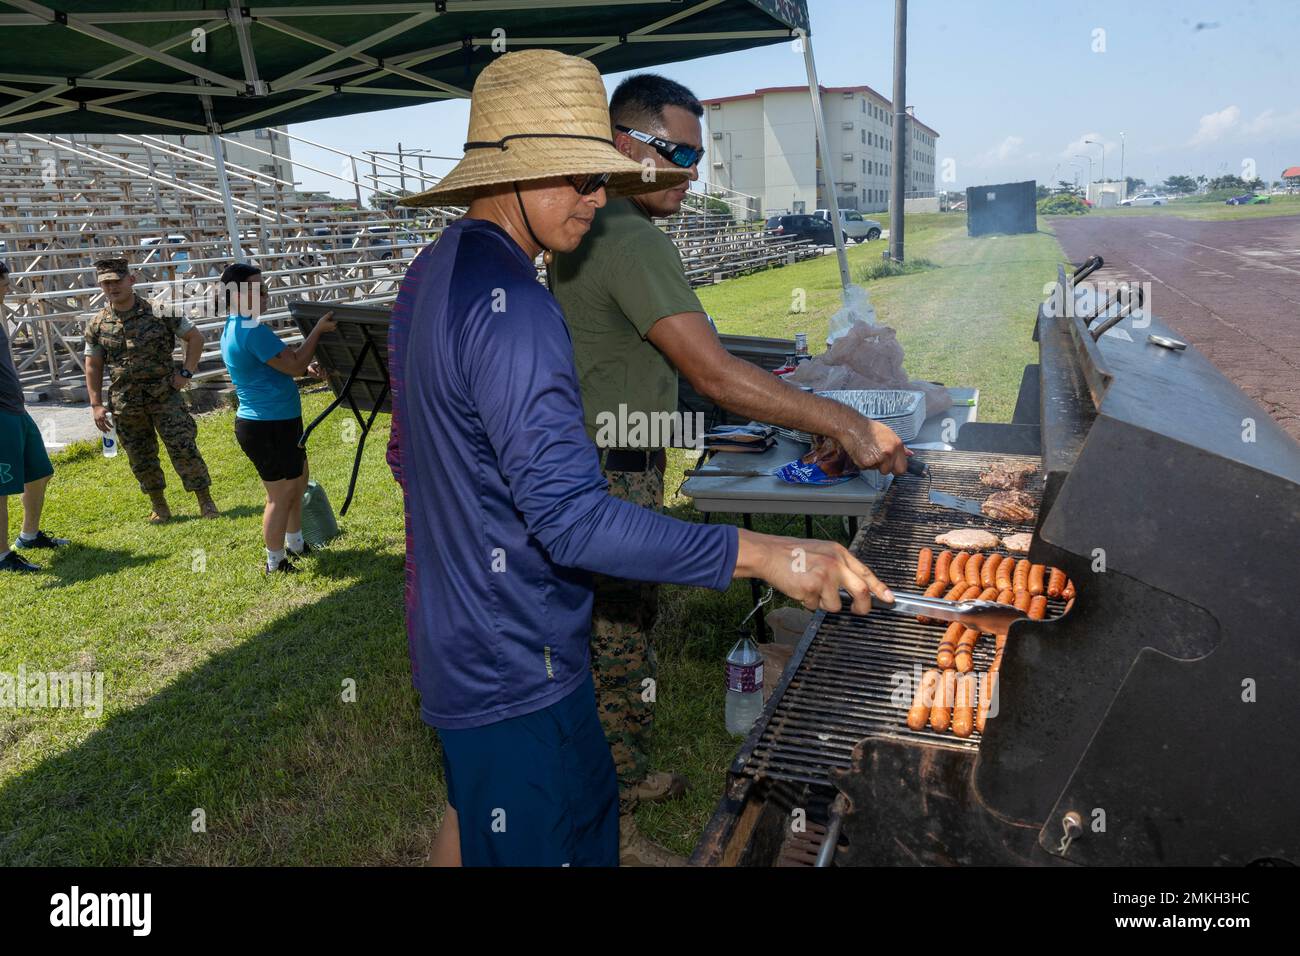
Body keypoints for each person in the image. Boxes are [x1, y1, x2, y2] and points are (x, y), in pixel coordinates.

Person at [389, 48, 891, 868]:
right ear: (509, 173)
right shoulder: (517, 308)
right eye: (576, 178)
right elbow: (573, 522)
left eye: (602, 176)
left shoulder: (436, 269)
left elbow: (410, 457)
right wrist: (768, 552)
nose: (598, 197)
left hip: (465, 633)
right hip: (513, 656)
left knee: (491, 813)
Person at [549, 73, 910, 863]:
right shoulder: (627, 235)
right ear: (625, 146)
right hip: (610, 463)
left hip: (602, 443)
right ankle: (613, 828)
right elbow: (710, 372)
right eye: (676, 152)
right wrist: (845, 422)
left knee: (619, 631)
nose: (691, 170)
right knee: (614, 639)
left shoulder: (590, 226)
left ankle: (625, 774)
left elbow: (678, 359)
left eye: (697, 155)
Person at [217, 263, 335, 574]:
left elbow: (282, 365)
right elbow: (294, 365)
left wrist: (305, 365)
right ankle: (275, 562)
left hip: (279, 421)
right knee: (280, 496)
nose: (267, 294)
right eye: (259, 289)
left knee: (297, 485)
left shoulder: (239, 326)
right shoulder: (250, 330)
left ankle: (296, 544)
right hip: (265, 426)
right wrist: (316, 333)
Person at [83, 257, 219, 523]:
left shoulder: (160, 311)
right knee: (140, 455)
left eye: (116, 281)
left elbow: (195, 337)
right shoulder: (98, 323)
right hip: (126, 402)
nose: (112, 287)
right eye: (105, 283)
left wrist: (186, 373)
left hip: (164, 396)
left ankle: (206, 502)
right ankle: (160, 506)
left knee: (183, 447)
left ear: (131, 280)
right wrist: (96, 403)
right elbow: (93, 364)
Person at [0, 260, 68, 572]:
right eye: (3, 284)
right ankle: (2, 557)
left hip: (15, 409)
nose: (7, 290)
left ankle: (29, 536)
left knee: (39, 471)